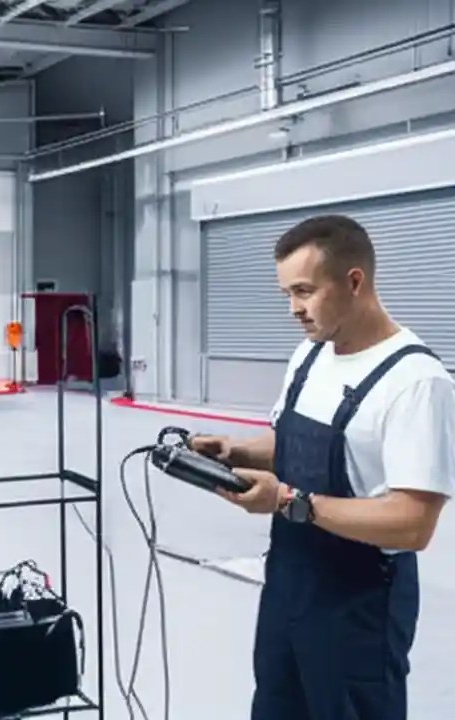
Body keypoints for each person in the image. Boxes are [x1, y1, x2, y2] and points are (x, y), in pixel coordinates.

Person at [190, 214, 455, 720]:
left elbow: (413, 522)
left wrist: (290, 502)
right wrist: (236, 452)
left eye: (305, 291)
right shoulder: (310, 356)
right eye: (287, 293)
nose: (294, 309)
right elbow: (294, 444)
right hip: (289, 582)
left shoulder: (417, 382)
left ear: (354, 282)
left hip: (359, 602)